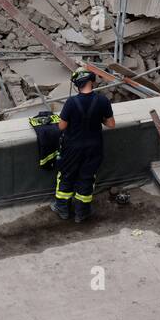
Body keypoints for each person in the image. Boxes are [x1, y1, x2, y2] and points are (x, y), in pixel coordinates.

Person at [51, 67, 114, 223]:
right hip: (94, 147)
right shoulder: (102, 100)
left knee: (66, 176)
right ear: (92, 82)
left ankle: (62, 209)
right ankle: (82, 213)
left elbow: (61, 127)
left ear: (77, 85)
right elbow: (111, 124)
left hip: (72, 147)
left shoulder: (71, 102)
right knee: (87, 178)